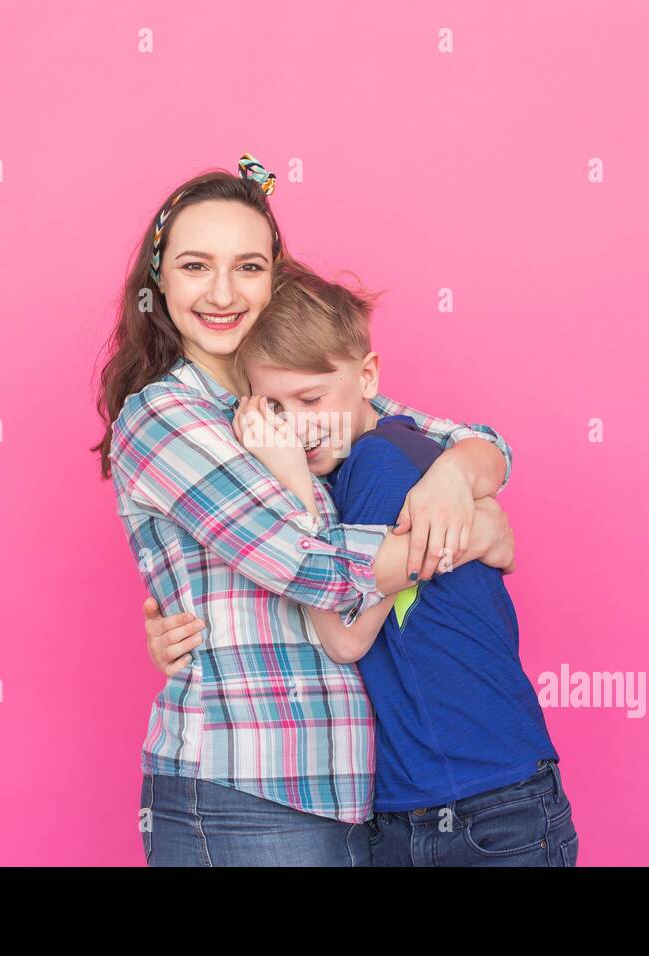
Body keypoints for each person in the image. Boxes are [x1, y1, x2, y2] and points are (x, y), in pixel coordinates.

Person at [93, 153, 518, 866]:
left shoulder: (295, 391)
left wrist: (454, 475)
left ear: (276, 276)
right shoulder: (167, 415)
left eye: (249, 267)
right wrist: (470, 531)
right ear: (158, 280)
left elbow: (476, 444)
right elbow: (308, 567)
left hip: (355, 789)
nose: (222, 291)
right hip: (245, 784)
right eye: (196, 266)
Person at [226, 258, 578, 866]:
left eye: (312, 398)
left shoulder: (377, 466)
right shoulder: (373, 458)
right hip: (434, 799)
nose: (298, 429)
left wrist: (288, 479)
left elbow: (343, 637)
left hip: (478, 805)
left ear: (367, 377)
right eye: (274, 411)